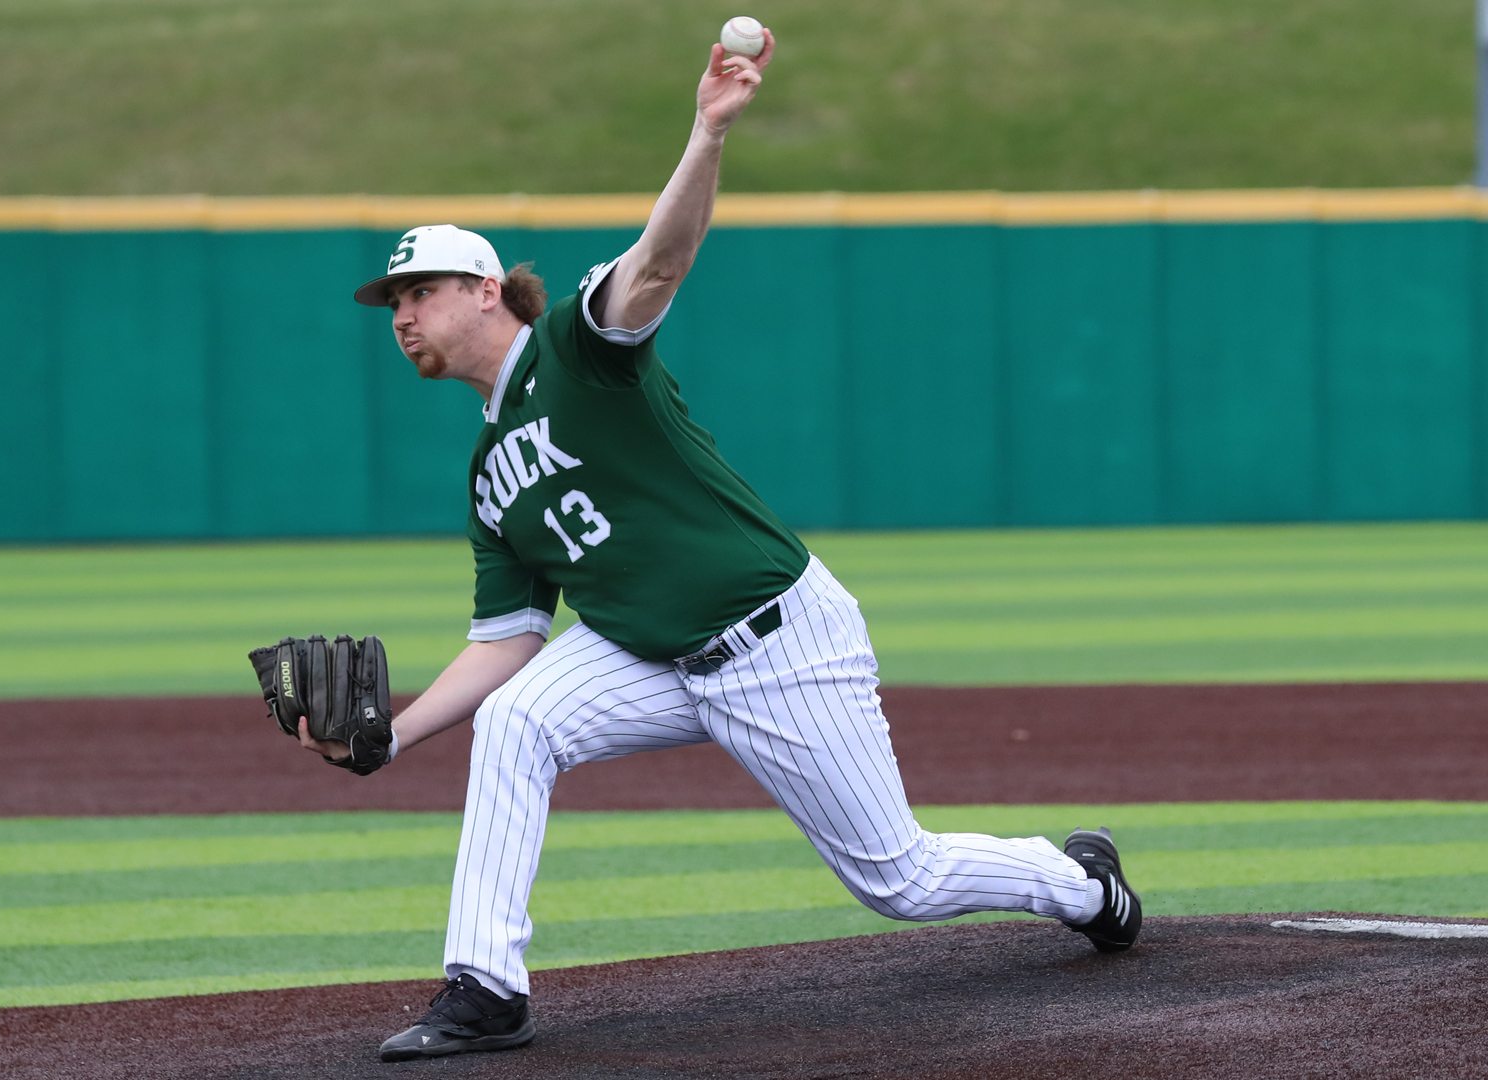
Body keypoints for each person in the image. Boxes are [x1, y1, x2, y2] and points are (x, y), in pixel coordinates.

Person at [306, 27, 1142, 1063]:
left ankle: (1081, 883)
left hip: (778, 640)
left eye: (420, 290)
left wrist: (707, 134)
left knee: (900, 880)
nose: (402, 314)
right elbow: (506, 641)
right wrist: (392, 731)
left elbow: (660, 262)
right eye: (393, 301)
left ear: (488, 291)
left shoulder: (576, 348)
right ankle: (485, 987)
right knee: (518, 718)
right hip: (649, 657)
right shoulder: (487, 477)